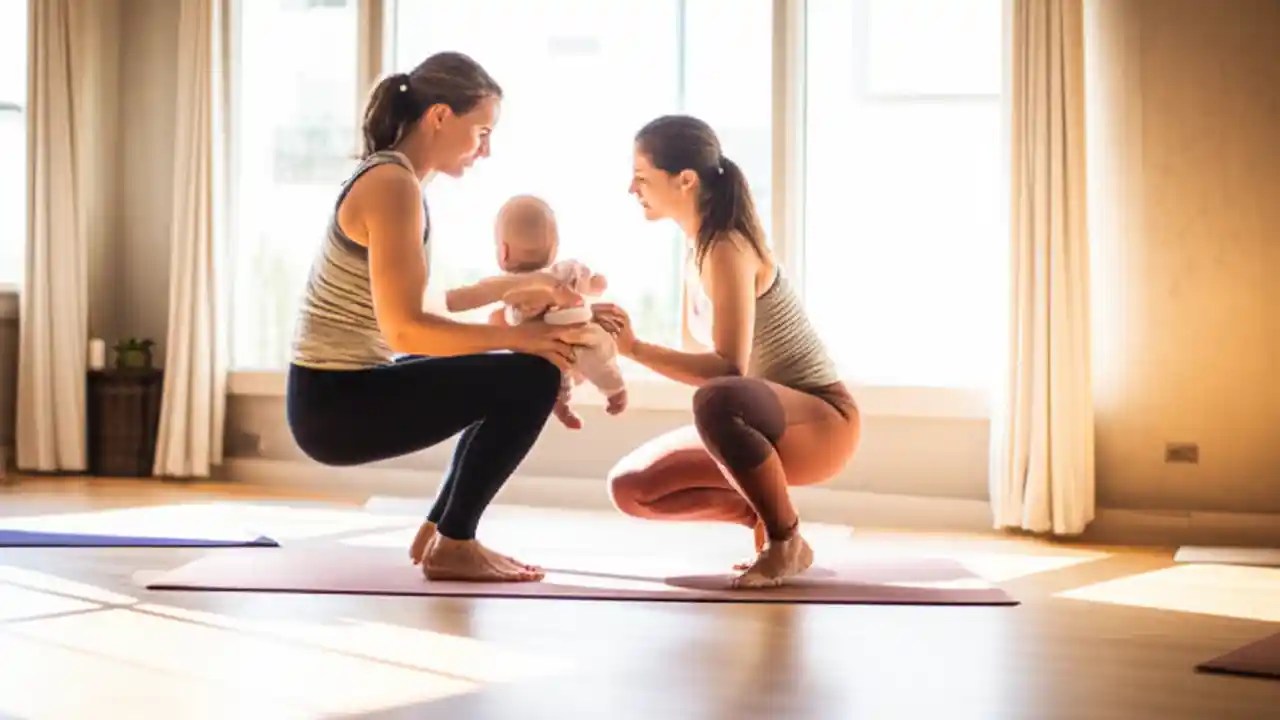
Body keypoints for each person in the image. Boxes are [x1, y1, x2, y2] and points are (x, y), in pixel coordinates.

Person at [286, 51, 592, 583]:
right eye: (482, 131)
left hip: (333, 396)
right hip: (334, 404)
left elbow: (427, 303)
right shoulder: (392, 185)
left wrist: (526, 285)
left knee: (509, 370)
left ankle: (443, 529)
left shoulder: (396, 180)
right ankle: (456, 541)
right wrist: (524, 341)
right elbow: (405, 329)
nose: (486, 150)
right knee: (529, 374)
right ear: (440, 117)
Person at [593, 115, 861, 589]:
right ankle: (766, 514)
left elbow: (726, 369)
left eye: (641, 178)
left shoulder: (727, 248)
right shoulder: (695, 251)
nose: (631, 190)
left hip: (822, 423)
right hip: (763, 420)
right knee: (632, 489)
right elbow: (695, 354)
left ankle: (785, 540)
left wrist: (633, 347)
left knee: (716, 400)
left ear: (686, 180)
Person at [486, 194, 627, 422]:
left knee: (550, 375)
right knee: (598, 358)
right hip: (575, 328)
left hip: (542, 346)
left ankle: (560, 403)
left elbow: (509, 316)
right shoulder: (565, 270)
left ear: (503, 252)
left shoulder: (510, 286)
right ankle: (615, 391)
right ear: (554, 248)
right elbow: (592, 284)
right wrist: (596, 283)